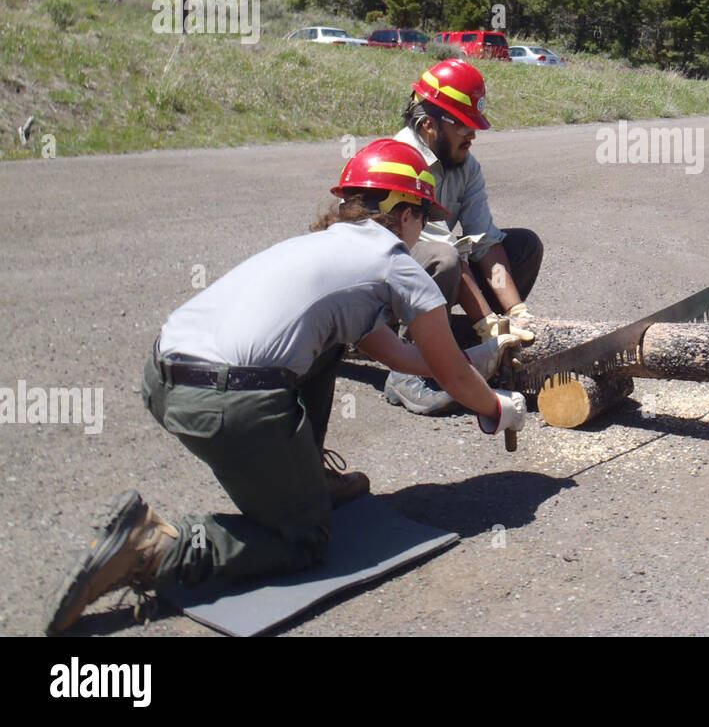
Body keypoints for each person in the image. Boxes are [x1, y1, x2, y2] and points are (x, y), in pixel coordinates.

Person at [47, 139, 526, 635]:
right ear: (404, 214)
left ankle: (306, 476)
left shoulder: (318, 247)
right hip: (226, 403)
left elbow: (406, 356)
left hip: (163, 378)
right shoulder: (395, 263)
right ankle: (152, 546)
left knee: (327, 345)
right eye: (422, 215)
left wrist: (478, 359)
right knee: (306, 540)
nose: (421, 229)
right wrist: (494, 404)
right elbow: (446, 375)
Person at [383, 59, 545, 415]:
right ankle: (406, 368)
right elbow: (445, 250)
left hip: (428, 273)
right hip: (379, 296)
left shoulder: (466, 165)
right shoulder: (403, 161)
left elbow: (484, 240)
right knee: (446, 259)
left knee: (523, 246)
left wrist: (517, 313)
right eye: (464, 126)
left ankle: (463, 345)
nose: (473, 135)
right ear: (428, 125)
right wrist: (488, 322)